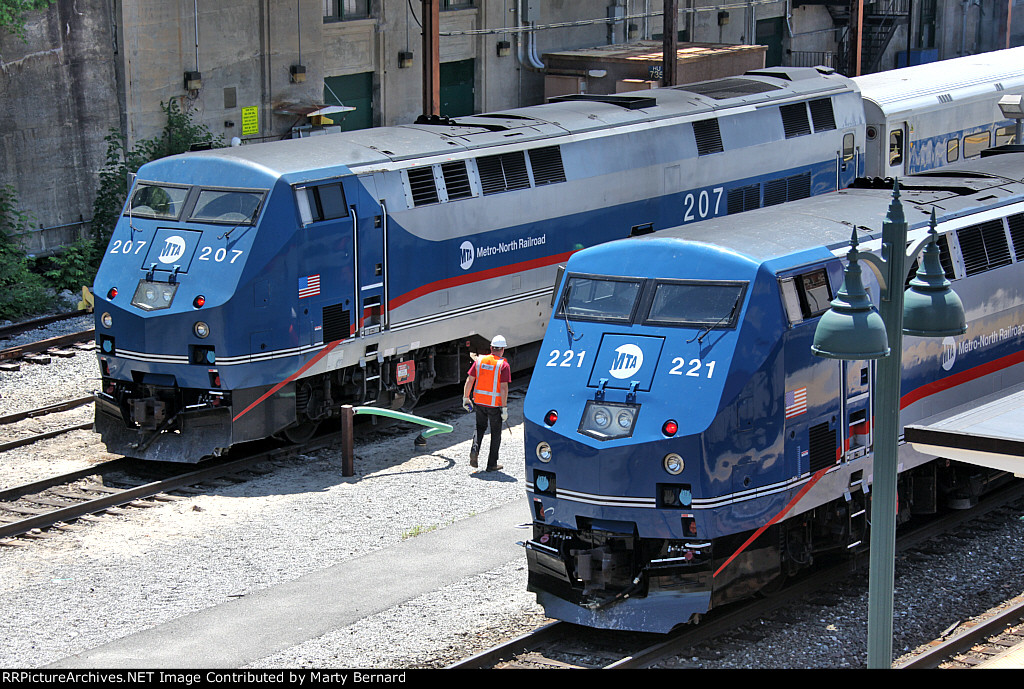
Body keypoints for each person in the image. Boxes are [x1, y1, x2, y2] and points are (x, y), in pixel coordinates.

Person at [462, 335, 511, 472]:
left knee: (479, 428)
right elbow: (503, 388)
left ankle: (474, 450)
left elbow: (470, 380)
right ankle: (491, 464)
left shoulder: (480, 360)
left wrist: (466, 397)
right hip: (494, 405)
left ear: (491, 348)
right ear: (502, 350)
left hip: (479, 402)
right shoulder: (503, 365)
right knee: (496, 433)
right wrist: (504, 407)